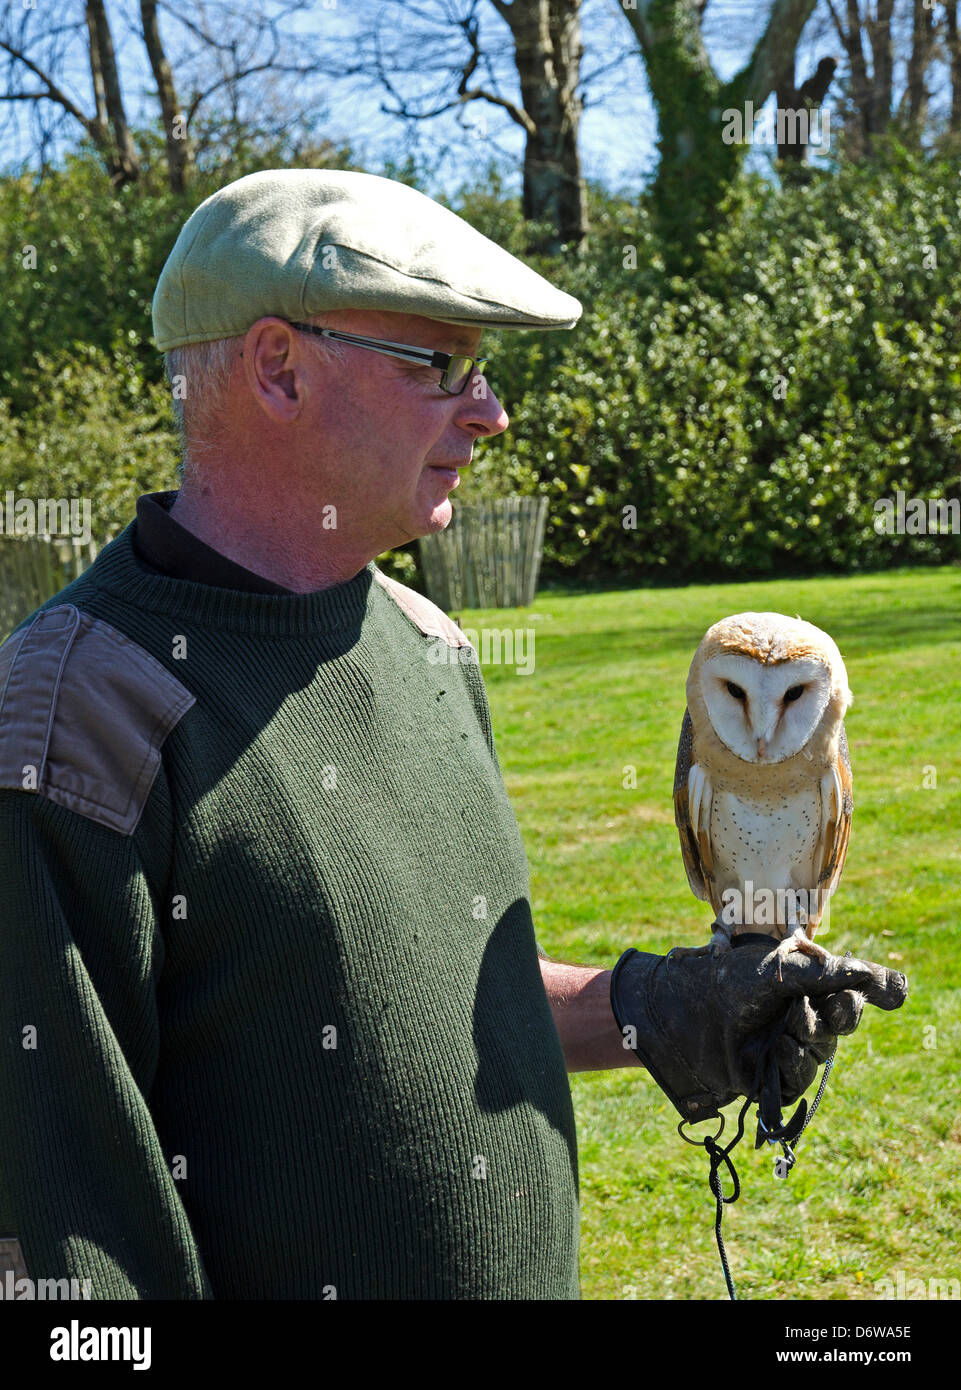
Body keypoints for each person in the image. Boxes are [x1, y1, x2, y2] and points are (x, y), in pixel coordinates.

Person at [0, 169, 906, 1301]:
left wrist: (656, 1010)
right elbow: (64, 1244)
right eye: (440, 366)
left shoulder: (428, 640)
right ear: (278, 367)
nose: (490, 411)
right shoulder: (78, 710)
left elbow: (430, 990)